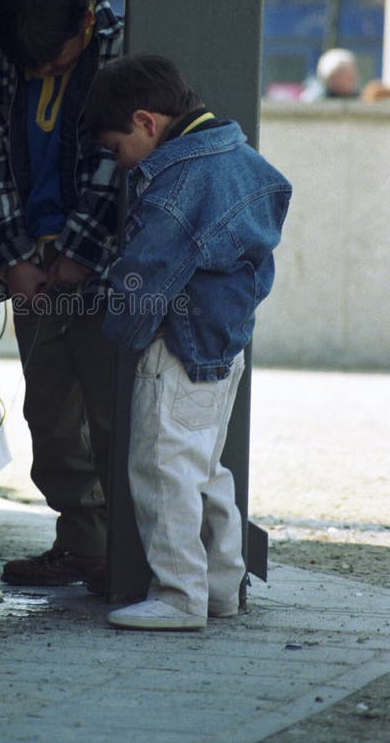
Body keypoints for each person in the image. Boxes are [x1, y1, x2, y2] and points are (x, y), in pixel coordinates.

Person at [85, 54, 292, 630]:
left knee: (161, 468)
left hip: (176, 348)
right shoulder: (240, 159)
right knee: (203, 469)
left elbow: (145, 275)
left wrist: (120, 331)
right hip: (223, 344)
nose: (119, 163)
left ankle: (179, 595)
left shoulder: (179, 186)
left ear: (147, 123)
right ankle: (223, 586)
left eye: (118, 146)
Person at [0, 0, 123, 586]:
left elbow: (117, 169)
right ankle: (83, 542)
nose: (43, 71)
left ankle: (130, 552)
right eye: (33, 64)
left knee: (115, 409)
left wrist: (78, 258)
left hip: (109, 263)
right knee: (51, 412)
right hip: (31, 262)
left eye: (54, 60)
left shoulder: (121, 52)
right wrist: (15, 259)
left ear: (85, 21)